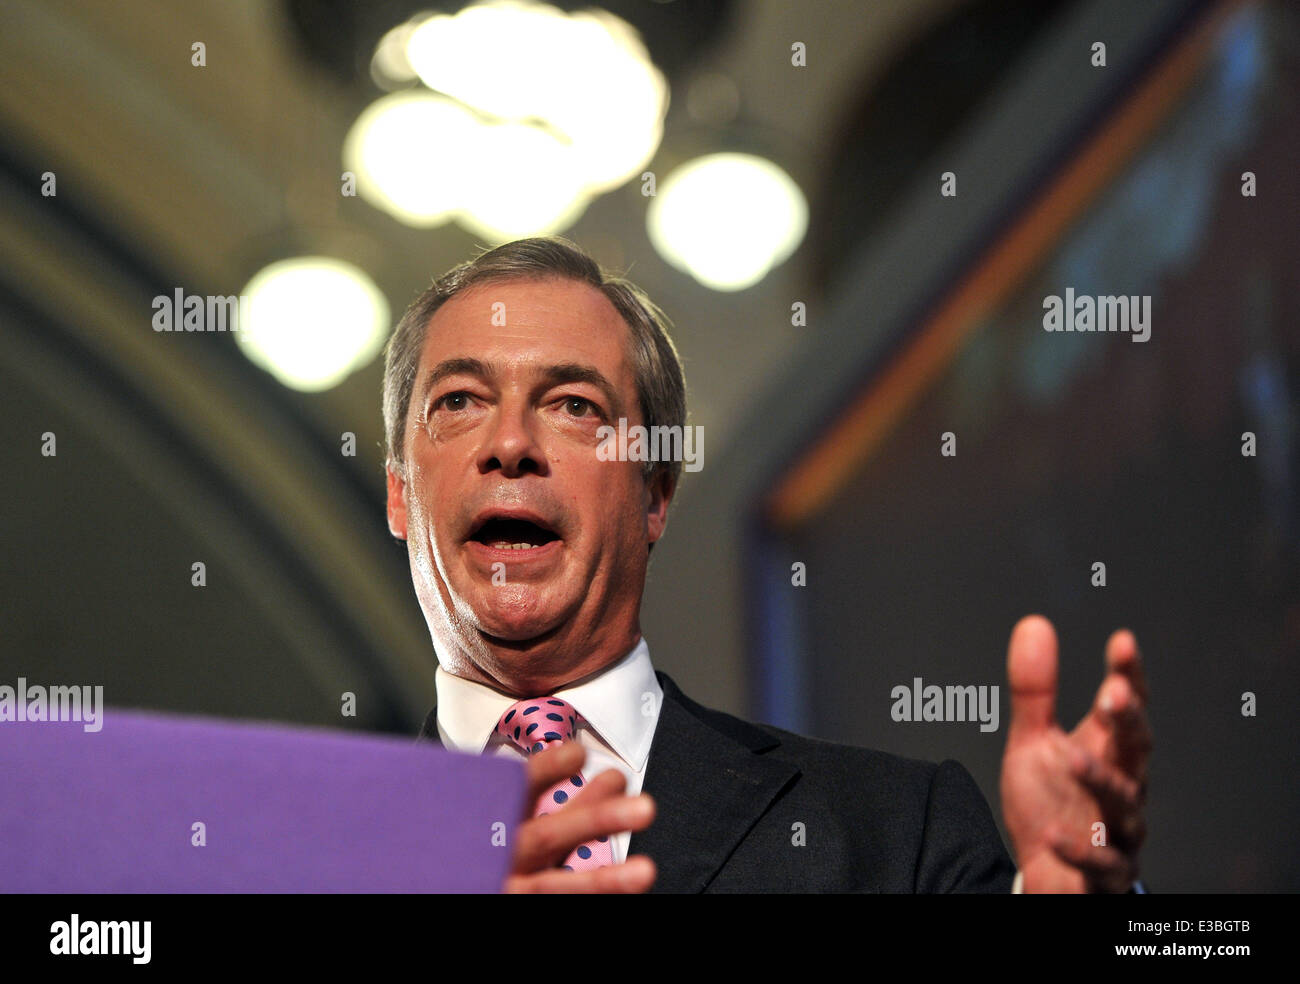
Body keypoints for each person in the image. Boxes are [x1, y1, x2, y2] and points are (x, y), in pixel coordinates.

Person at [382, 236, 1150, 893]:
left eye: (575, 405)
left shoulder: (892, 829)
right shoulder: (295, 861)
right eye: (458, 401)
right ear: (397, 493)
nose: (510, 442)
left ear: (655, 493)